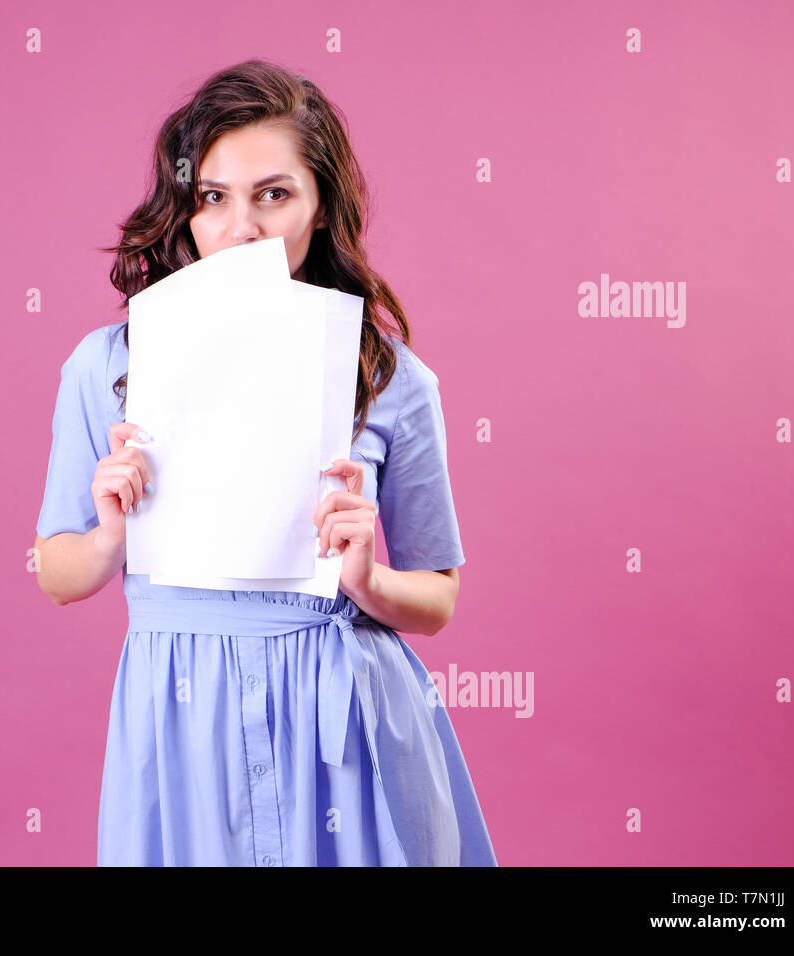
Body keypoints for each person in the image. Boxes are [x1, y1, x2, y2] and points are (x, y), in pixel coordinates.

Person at [33, 59, 497, 866]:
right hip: (180, 716)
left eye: (273, 194)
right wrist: (108, 539)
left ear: (321, 208)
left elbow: (438, 598)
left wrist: (368, 580)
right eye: (213, 197)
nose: (241, 229)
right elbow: (55, 571)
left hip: (344, 718)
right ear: (185, 210)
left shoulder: (390, 378)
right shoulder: (105, 367)